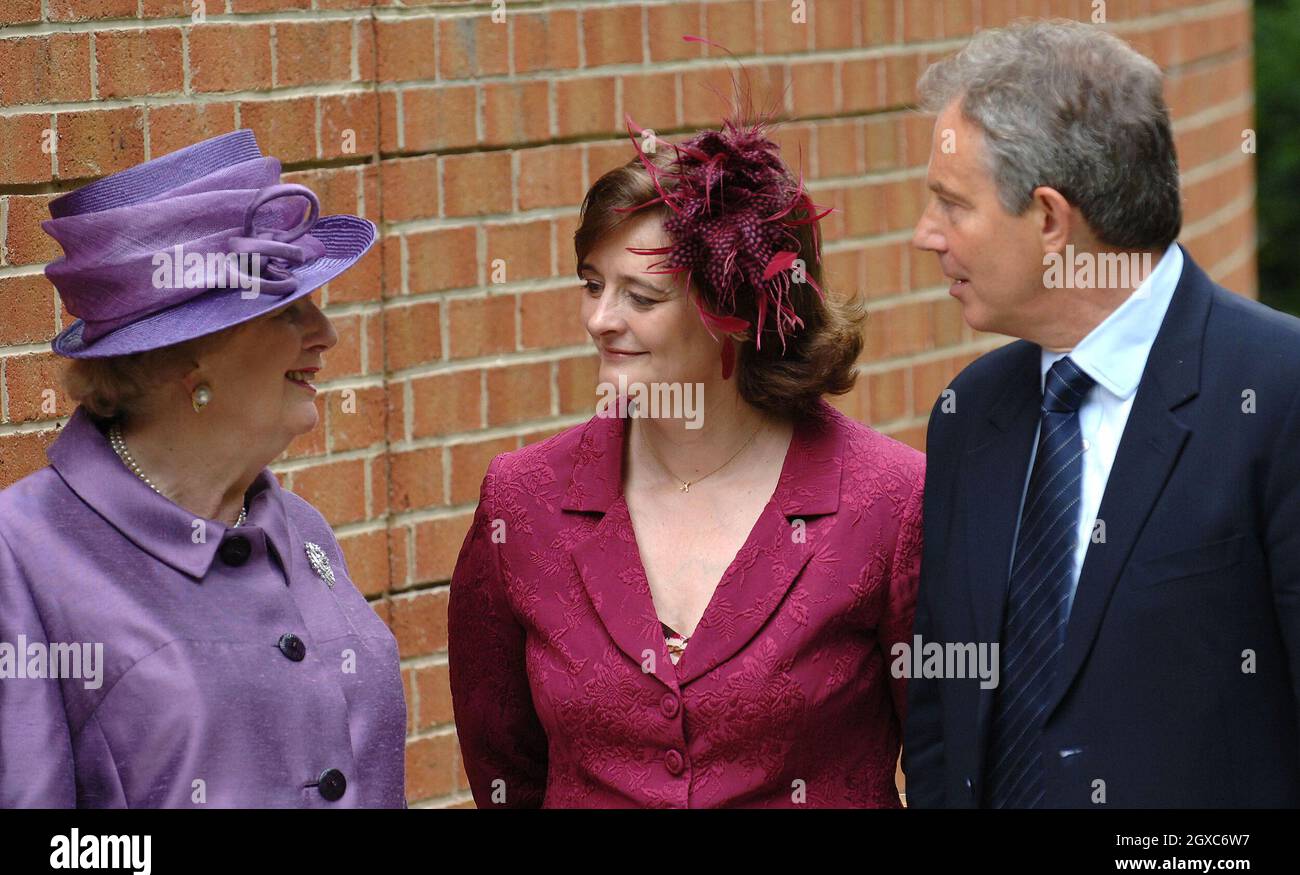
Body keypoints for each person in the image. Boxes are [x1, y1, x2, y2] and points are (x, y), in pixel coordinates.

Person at [448, 91, 925, 807]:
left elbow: (950, 757)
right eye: (592, 285)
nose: (600, 320)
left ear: (735, 315)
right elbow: (504, 767)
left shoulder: (886, 501)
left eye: (641, 296)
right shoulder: (523, 500)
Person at [904, 20, 1300, 808]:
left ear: (1051, 220)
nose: (926, 236)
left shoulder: (1279, 391)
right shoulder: (969, 412)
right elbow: (940, 711)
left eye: (952, 204)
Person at [0, 129, 406, 808]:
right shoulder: (23, 555)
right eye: (288, 309)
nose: (326, 335)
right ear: (191, 357)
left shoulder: (297, 528)